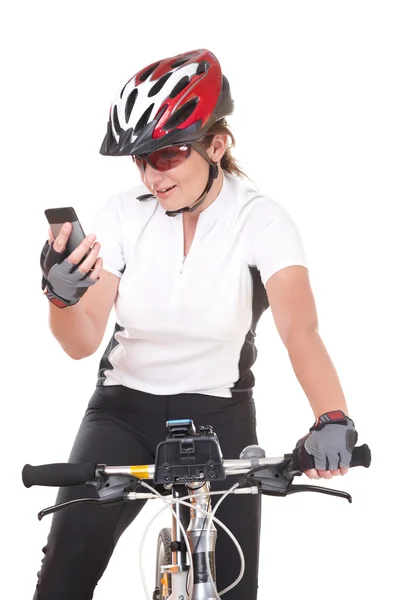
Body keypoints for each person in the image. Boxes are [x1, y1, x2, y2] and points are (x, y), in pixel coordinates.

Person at [36, 48, 358, 599]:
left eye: (167, 155)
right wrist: (60, 298)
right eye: (141, 159)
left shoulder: (262, 220)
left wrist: (332, 417)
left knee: (231, 587)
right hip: (123, 412)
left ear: (217, 144)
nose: (151, 174)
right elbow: (82, 341)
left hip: (219, 415)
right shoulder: (121, 214)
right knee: (64, 571)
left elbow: (299, 329)